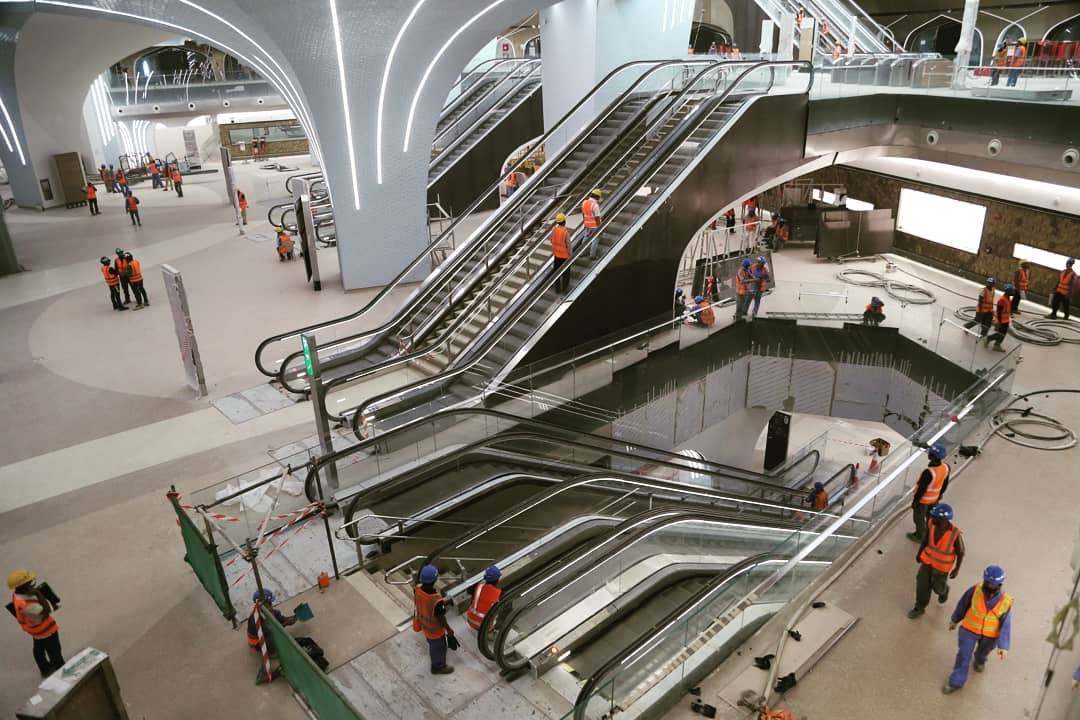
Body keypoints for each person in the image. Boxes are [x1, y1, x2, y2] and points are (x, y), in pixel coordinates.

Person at [944, 565, 1012, 694]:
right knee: (964, 655)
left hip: (990, 635)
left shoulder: (1006, 601)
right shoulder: (975, 590)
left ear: (1000, 584)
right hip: (969, 629)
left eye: (993, 585)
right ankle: (956, 682)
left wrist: (1003, 646)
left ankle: (980, 660)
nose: (990, 587)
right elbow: (962, 605)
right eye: (988, 583)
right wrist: (954, 620)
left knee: (983, 652)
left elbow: (1006, 624)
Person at [907, 503, 964, 619]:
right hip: (927, 562)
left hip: (941, 569)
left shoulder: (955, 534)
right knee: (922, 584)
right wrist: (919, 553)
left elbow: (961, 552)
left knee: (938, 588)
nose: (933, 519)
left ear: (944, 520)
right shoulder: (931, 524)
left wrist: (957, 569)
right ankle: (919, 607)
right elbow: (925, 540)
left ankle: (944, 591)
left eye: (936, 517)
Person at [8, 569, 64, 677]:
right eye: (29, 582)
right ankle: (61, 669)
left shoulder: (17, 594)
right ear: (23, 586)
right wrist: (38, 593)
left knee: (39, 651)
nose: (32, 583)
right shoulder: (26, 606)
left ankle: (45, 669)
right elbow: (46, 611)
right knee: (55, 651)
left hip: (34, 630)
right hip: (45, 631)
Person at [413, 565, 456, 675]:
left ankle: (437, 664)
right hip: (435, 631)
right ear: (435, 579)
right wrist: (449, 629)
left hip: (424, 625)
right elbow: (441, 617)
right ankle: (438, 667)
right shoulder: (436, 599)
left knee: (432, 644)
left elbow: (426, 603)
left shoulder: (417, 589)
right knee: (439, 648)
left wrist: (442, 604)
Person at [907, 443, 950, 542]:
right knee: (930, 517)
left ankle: (920, 536)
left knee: (918, 518)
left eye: (930, 453)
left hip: (923, 501)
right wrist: (939, 495)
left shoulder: (928, 472)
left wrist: (915, 501)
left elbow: (921, 489)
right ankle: (931, 532)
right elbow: (945, 483)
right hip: (935, 499)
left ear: (932, 457)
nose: (928, 453)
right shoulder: (946, 467)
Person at [246, 589, 296, 656]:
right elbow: (271, 631)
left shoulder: (266, 610)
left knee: (276, 613)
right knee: (274, 641)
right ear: (263, 604)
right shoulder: (255, 620)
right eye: (269, 603)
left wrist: (289, 618)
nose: (271, 604)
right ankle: (271, 651)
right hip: (258, 642)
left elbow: (278, 618)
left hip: (266, 632)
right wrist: (286, 623)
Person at [466, 566, 502, 631]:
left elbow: (470, 592)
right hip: (483, 627)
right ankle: (492, 631)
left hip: (470, 620)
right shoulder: (498, 593)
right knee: (507, 606)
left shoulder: (479, 586)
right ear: (497, 579)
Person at [985, 283, 1012, 351]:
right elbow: (999, 312)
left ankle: (996, 344)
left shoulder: (1009, 299)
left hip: (1006, 320)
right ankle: (990, 340)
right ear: (1008, 291)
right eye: (1012, 291)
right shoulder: (1002, 300)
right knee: (1001, 334)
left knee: (1003, 334)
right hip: (1002, 321)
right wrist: (999, 322)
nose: (1013, 292)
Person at [550, 212, 571, 293]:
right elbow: (568, 245)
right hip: (564, 256)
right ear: (564, 221)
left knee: (557, 272)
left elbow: (551, 240)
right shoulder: (565, 232)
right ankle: (565, 289)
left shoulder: (554, 230)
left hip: (556, 255)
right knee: (566, 273)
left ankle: (557, 289)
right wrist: (570, 255)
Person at [582, 189, 602, 259]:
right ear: (597, 197)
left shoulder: (584, 202)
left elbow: (583, 213)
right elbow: (597, 217)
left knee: (586, 237)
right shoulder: (595, 205)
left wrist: (585, 222)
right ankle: (592, 255)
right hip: (594, 225)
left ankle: (582, 253)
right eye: (599, 197)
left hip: (587, 224)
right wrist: (600, 227)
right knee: (595, 239)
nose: (599, 199)